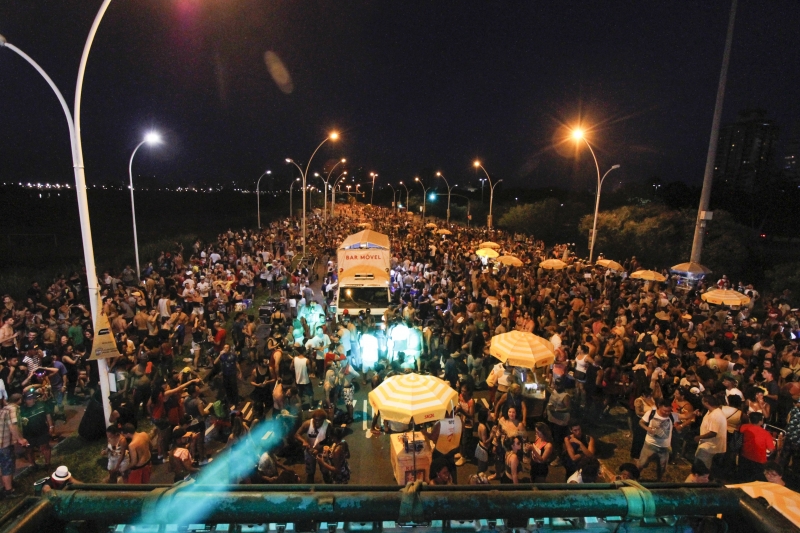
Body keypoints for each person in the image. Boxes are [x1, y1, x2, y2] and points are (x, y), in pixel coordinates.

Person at [638, 398, 679, 481]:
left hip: (664, 448)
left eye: (669, 411)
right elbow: (641, 422)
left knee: (662, 467)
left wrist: (693, 413)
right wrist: (647, 428)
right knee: (642, 463)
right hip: (650, 445)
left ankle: (658, 481)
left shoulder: (672, 415)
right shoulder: (651, 413)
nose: (667, 413)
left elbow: (685, 416)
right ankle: (635, 476)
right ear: (659, 407)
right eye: (665, 411)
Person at [0, 393, 28, 497]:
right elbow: (13, 425)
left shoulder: (4, 409)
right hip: (4, 444)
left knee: (6, 465)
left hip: (3, 443)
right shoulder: (11, 409)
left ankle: (9, 484)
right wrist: (20, 439)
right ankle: (8, 490)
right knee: (7, 466)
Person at [20, 390, 53, 470]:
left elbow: (48, 415)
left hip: (42, 431)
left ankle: (47, 464)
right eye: (29, 399)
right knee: (29, 450)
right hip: (28, 434)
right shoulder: (21, 410)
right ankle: (33, 465)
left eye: (33, 398)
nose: (32, 400)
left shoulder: (41, 405)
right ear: (25, 400)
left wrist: (51, 426)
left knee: (45, 447)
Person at [694, 395, 727, 475]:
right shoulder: (711, 412)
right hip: (708, 445)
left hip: (710, 447)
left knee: (702, 468)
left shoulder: (716, 415)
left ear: (706, 402)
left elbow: (713, 433)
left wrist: (699, 437)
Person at [738, 412, 775, 482]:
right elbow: (771, 449)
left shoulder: (743, 427)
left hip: (744, 456)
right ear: (761, 421)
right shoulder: (766, 434)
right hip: (759, 460)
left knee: (743, 478)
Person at [295, 409, 330, 483]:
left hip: (322, 452)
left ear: (324, 420)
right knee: (310, 473)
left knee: (325, 472)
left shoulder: (328, 425)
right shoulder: (307, 424)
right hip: (309, 451)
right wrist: (304, 441)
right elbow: (297, 434)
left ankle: (330, 489)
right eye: (315, 419)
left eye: (319, 420)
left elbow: (330, 440)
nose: (317, 422)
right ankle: (310, 490)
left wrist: (319, 449)